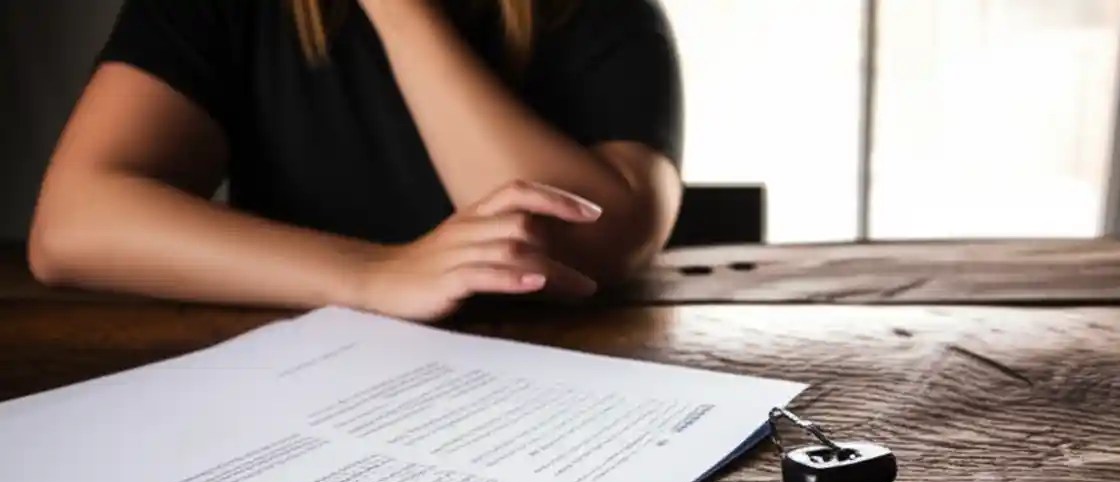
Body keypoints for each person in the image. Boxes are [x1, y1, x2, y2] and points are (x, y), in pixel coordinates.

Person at [28, 0, 683, 321]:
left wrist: (399, 13)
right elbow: (73, 225)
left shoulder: (598, 11)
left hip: (551, 402)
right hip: (296, 397)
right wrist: (375, 273)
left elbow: (592, 244)